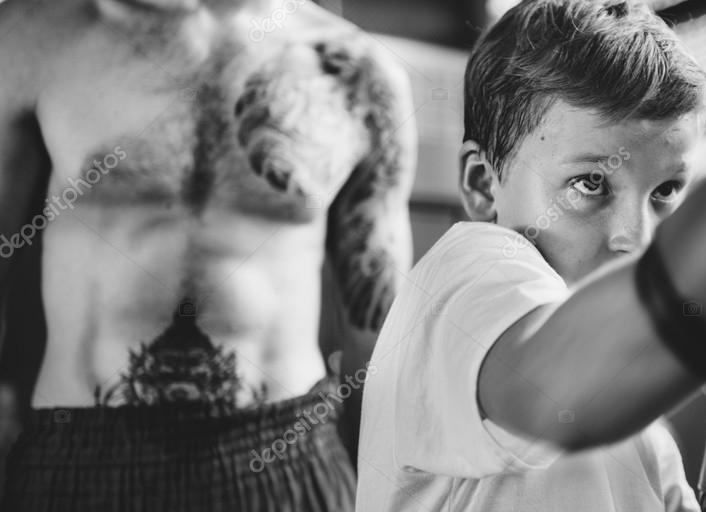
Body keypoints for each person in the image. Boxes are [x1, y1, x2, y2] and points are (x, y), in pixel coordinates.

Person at [0, 0, 415, 509]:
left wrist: (385, 488)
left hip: (285, 452)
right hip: (82, 455)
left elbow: (378, 325)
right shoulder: (32, 37)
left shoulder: (356, 71)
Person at [356, 1, 706, 510]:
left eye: (666, 190)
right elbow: (553, 392)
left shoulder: (640, 425)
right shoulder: (470, 269)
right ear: (483, 185)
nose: (638, 239)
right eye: (591, 184)